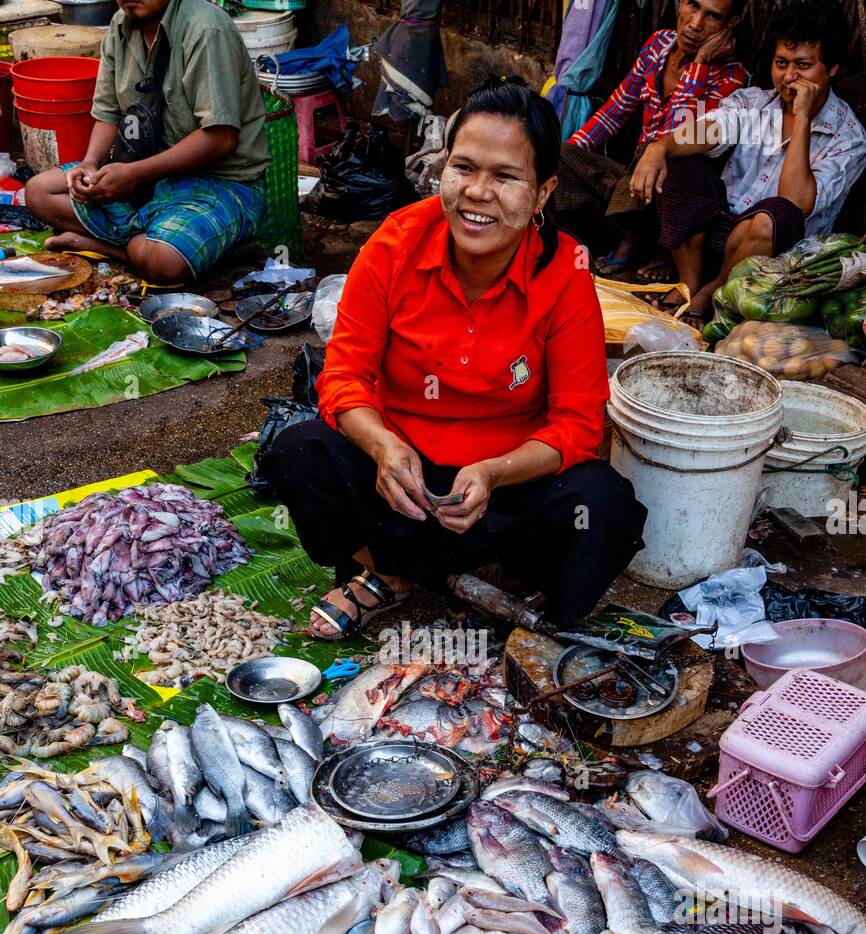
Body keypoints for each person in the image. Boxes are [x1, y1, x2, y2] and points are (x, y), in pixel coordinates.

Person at [254, 77, 646, 640]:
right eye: (463, 168)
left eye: (506, 176)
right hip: (400, 481)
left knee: (602, 505)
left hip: (504, 484)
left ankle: (512, 584)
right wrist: (384, 447)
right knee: (299, 451)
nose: (477, 192)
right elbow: (343, 379)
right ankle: (384, 571)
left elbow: (578, 425)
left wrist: (491, 472)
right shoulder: (396, 242)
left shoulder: (566, 272)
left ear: (541, 194)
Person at [631, 0, 866, 324]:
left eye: (803, 65)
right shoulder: (753, 102)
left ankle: (713, 293)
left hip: (775, 257)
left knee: (777, 213)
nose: (789, 77)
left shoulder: (848, 137)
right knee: (679, 161)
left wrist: (801, 119)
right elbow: (711, 129)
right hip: (721, 236)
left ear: (832, 68)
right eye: (781, 63)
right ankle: (691, 281)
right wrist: (661, 146)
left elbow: (794, 201)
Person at [25, 0, 269, 284]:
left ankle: (108, 246)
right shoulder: (119, 26)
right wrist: (90, 164)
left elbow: (221, 138)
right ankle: (145, 237)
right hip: (145, 177)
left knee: (163, 262)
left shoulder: (205, 28)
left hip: (222, 183)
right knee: (38, 192)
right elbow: (108, 114)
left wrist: (134, 174)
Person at [555, 0, 748, 273]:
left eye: (712, 17)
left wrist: (700, 63)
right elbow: (614, 112)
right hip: (635, 177)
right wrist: (564, 160)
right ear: (680, 3)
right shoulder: (658, 44)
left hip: (670, 187)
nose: (695, 24)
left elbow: (676, 136)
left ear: (730, 25)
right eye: (693, 6)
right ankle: (631, 233)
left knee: (666, 160)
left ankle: (657, 247)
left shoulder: (733, 77)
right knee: (559, 155)